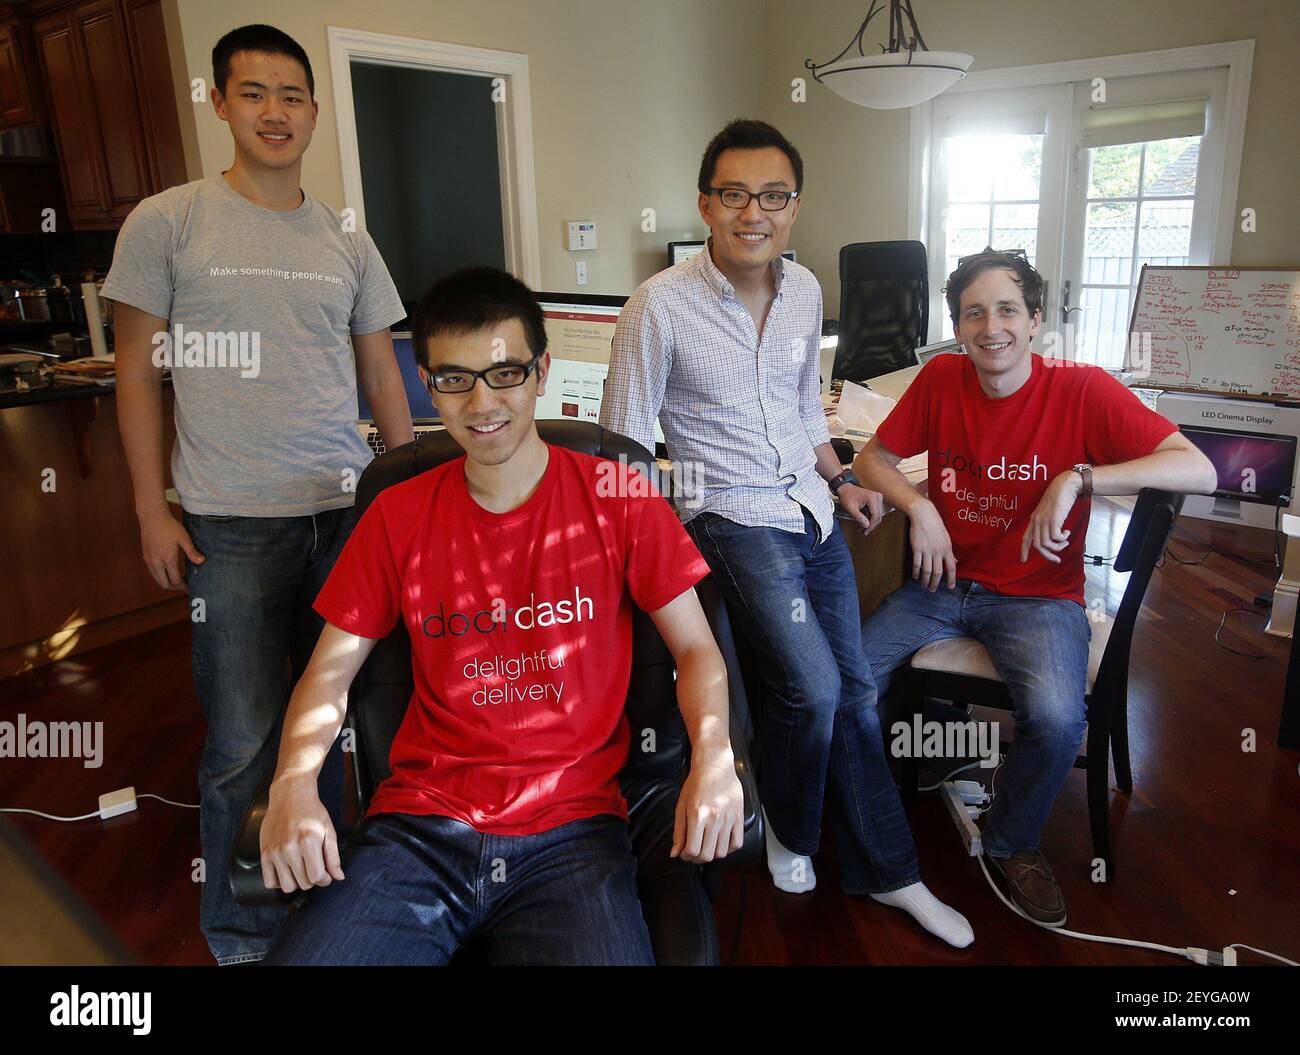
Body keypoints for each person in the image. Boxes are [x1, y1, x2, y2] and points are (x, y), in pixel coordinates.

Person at [259, 267, 744, 965]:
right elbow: (328, 674)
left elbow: (698, 651)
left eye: (505, 372)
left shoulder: (620, 493)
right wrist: (292, 784)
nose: (482, 401)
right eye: (454, 379)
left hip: (572, 833)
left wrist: (715, 760)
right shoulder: (396, 513)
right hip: (421, 830)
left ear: (541, 371)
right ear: (428, 385)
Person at [601, 119, 973, 948]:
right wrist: (651, 556)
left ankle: (891, 870)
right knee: (813, 689)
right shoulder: (656, 307)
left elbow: (808, 408)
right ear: (706, 203)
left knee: (856, 691)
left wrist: (841, 479)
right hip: (730, 515)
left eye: (773, 196)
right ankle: (790, 830)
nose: (753, 212)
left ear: (794, 207)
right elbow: (623, 452)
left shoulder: (804, 292)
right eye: (734, 194)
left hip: (809, 506)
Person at [102, 24, 412, 964]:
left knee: (364, 719)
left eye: (290, 95)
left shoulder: (347, 238)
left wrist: (407, 489)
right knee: (243, 735)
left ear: (315, 113)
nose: (274, 112)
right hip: (229, 523)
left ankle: (353, 890)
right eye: (253, 93)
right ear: (220, 103)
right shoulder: (168, 221)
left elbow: (383, 373)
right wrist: (152, 507)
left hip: (345, 513)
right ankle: (241, 931)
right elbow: (134, 372)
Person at [852, 250, 1217, 925]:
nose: (992, 326)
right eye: (974, 312)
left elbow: (1199, 469)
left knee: (1054, 719)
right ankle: (885, 821)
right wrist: (920, 505)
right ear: (957, 327)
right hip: (944, 584)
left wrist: (1078, 476)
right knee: (849, 685)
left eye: (1008, 309)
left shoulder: (1081, 387)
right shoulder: (940, 379)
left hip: (1040, 598)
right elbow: (870, 456)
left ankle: (1009, 838)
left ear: (1036, 319)